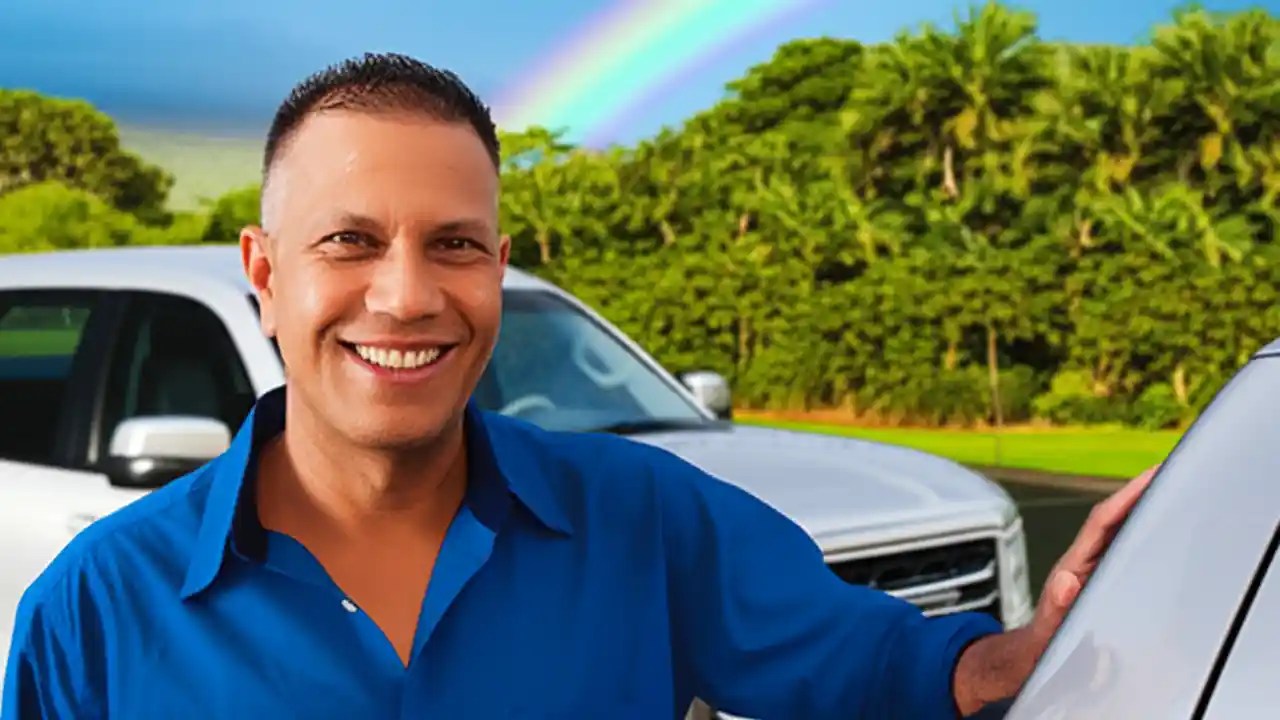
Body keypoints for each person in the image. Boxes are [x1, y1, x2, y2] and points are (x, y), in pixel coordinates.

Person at [1, 53, 1156, 719]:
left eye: (454, 244)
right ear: (264, 271)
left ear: (498, 269)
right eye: (349, 241)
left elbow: (867, 664)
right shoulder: (94, 611)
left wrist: (1043, 639)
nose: (406, 297)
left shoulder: (643, 519)